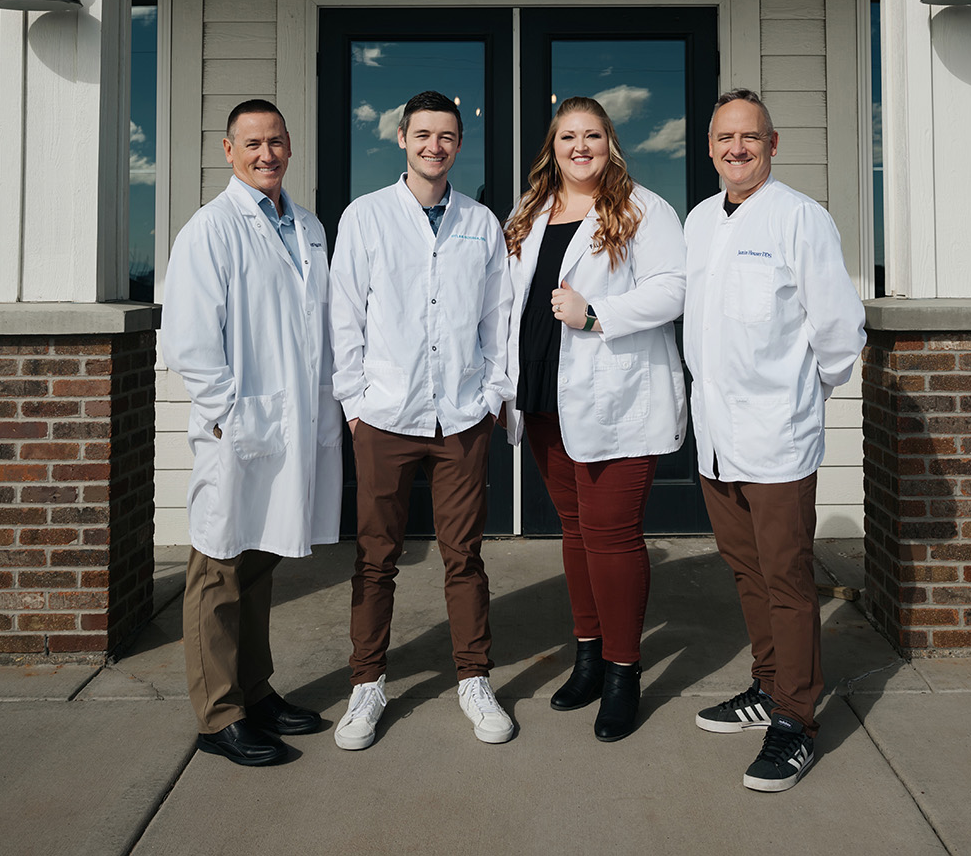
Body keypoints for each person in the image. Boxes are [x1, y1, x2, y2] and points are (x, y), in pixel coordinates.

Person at [683, 88, 866, 794]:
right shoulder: (701, 222)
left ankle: (795, 719)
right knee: (747, 572)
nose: (737, 148)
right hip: (718, 438)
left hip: (778, 436)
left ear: (772, 144)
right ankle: (767, 685)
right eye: (725, 137)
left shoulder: (800, 219)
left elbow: (839, 333)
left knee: (788, 580)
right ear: (709, 147)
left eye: (750, 137)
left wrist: (802, 397)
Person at [328, 90, 515, 751]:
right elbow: (344, 316)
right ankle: (366, 683)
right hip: (385, 415)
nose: (434, 145)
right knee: (377, 558)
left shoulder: (480, 223)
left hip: (462, 418)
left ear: (458, 146)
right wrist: (353, 403)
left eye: (447, 136)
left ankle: (473, 677)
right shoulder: (367, 217)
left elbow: (501, 317)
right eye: (423, 134)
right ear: (401, 138)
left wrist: (493, 397)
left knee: (464, 556)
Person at [158, 99, 343, 768]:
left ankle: (256, 691)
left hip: (290, 423)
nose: (267, 153)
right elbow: (190, 340)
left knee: (260, 562)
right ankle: (219, 714)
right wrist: (229, 416)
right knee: (220, 568)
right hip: (240, 427)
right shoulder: (210, 230)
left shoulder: (308, 228)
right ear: (229, 152)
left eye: (277, 141)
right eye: (253, 143)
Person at [502, 96, 687, 742]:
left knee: (611, 535)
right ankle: (587, 654)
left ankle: (622, 671)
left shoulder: (641, 208)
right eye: (567, 137)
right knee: (576, 532)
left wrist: (597, 314)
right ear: (551, 147)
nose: (580, 147)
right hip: (545, 397)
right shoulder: (529, 213)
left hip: (616, 395)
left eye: (592, 135)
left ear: (611, 142)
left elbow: (673, 288)